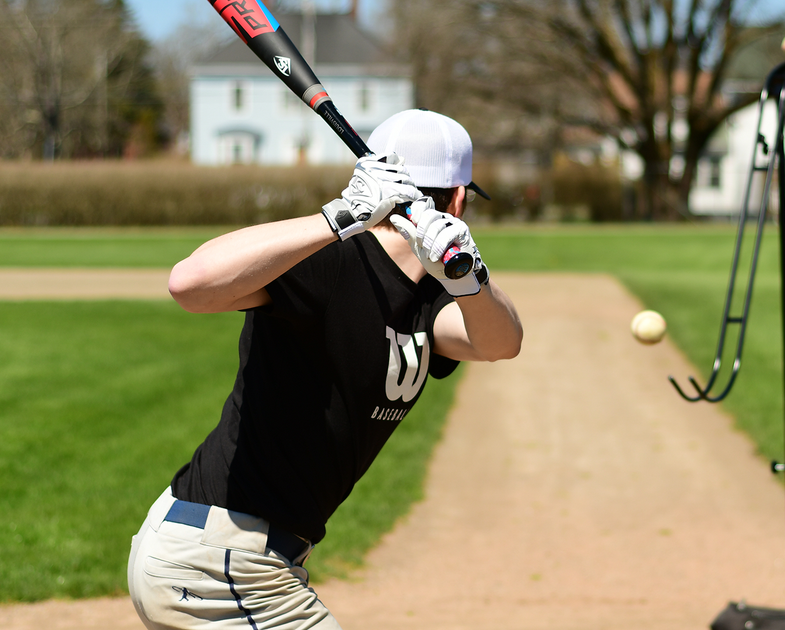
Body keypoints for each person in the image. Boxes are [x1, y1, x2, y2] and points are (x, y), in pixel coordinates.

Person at [127, 109, 522, 630]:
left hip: (238, 557)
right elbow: (189, 285)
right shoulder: (330, 261)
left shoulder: (435, 297)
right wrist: (337, 217)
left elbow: (501, 342)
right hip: (217, 562)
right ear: (458, 199)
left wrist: (470, 277)